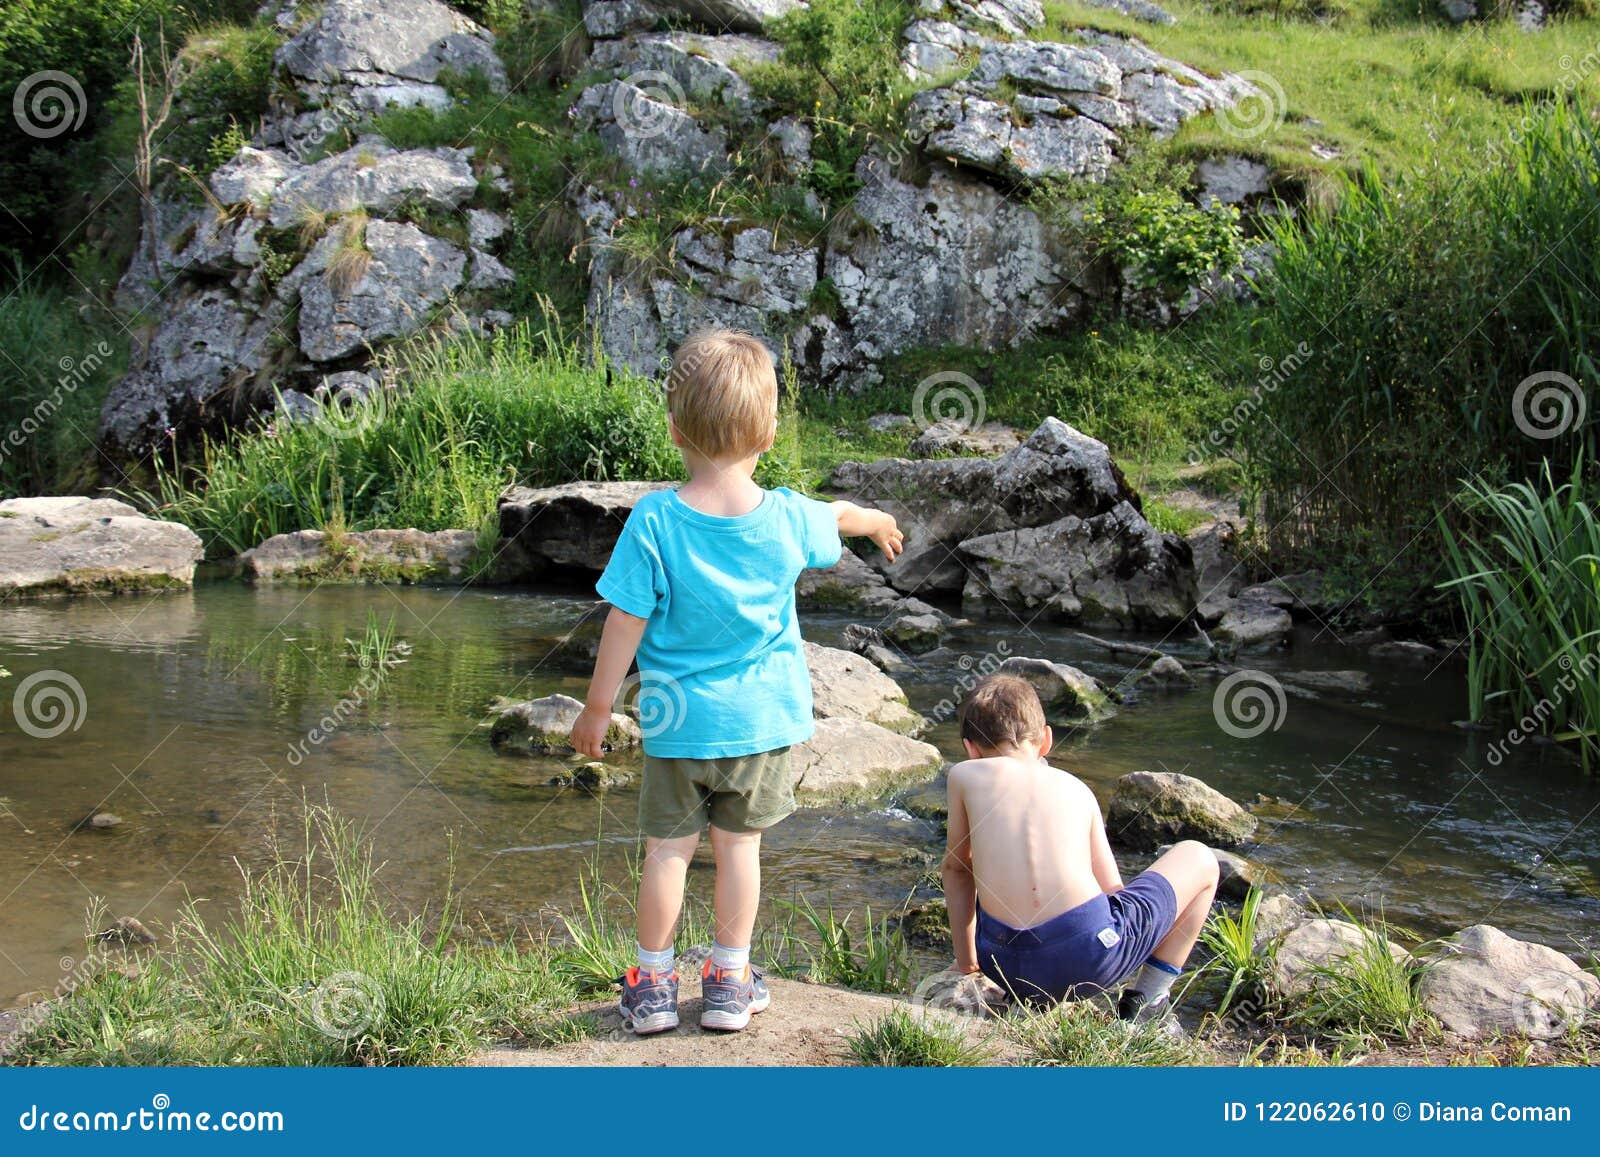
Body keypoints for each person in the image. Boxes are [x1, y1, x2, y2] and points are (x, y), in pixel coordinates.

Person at [569, 328, 904, 1034]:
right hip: (759, 725)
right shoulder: (784, 517)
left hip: (677, 722)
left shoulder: (655, 520)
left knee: (666, 853)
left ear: (671, 429)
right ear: (771, 432)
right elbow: (837, 516)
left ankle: (653, 985)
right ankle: (727, 978)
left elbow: (623, 624)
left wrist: (598, 709)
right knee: (739, 851)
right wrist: (875, 521)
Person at [941, 673, 1219, 1024]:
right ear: (1046, 741)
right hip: (1088, 962)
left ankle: (1023, 984)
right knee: (1200, 859)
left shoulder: (964, 776)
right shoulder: (1077, 789)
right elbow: (1113, 891)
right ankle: (1148, 1004)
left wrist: (967, 964)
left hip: (1004, 965)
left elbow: (956, 869)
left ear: (970, 749)